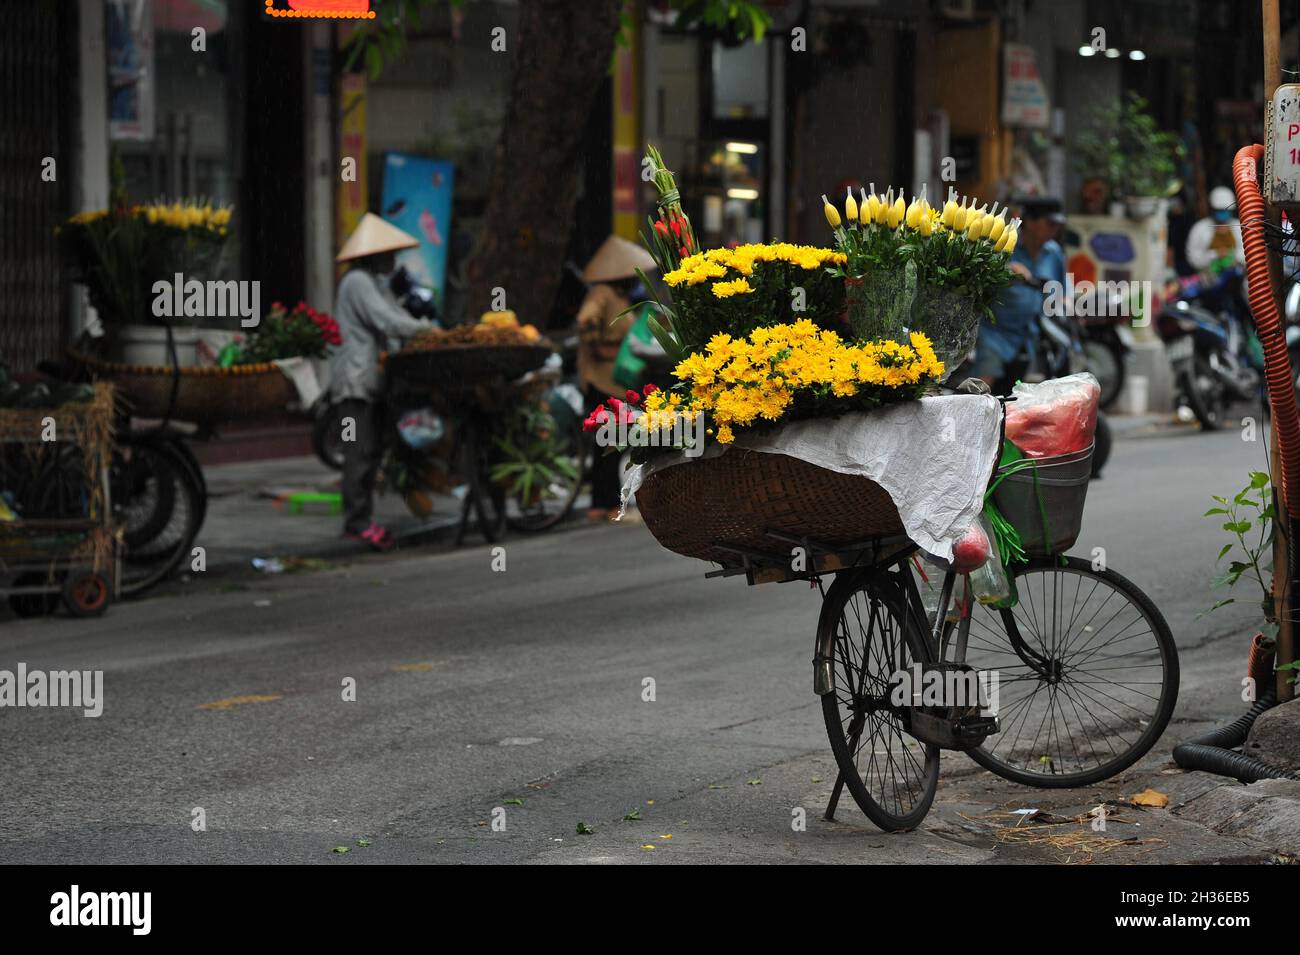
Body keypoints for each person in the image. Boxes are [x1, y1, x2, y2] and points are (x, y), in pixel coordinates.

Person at [332, 213, 430, 550]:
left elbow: (397, 316)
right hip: (354, 385)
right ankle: (355, 524)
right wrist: (426, 330)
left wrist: (422, 327)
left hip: (371, 382)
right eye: (388, 254)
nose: (393, 261)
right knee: (358, 455)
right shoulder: (357, 282)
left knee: (371, 453)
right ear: (373, 255)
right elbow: (386, 321)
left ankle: (363, 519)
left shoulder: (375, 283)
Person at [576, 235, 658, 522]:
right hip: (601, 379)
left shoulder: (622, 296)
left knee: (612, 441)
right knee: (607, 441)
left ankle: (605, 503)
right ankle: (605, 504)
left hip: (615, 379)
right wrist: (598, 346)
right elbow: (586, 321)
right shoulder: (602, 293)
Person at [969, 197, 1067, 388]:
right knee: (982, 389)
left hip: (1032, 336)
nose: (1054, 230)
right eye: (1049, 223)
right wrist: (1007, 272)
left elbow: (1063, 290)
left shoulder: (1054, 253)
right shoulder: (1004, 246)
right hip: (996, 334)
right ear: (1030, 222)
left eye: (1057, 225)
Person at [1185, 185, 1245, 273]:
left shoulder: (1240, 227)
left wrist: (1234, 258)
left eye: (1226, 210)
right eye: (1220, 210)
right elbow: (1193, 258)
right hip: (1208, 280)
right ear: (1212, 209)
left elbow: (1248, 252)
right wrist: (1215, 255)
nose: (1223, 213)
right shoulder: (1199, 228)